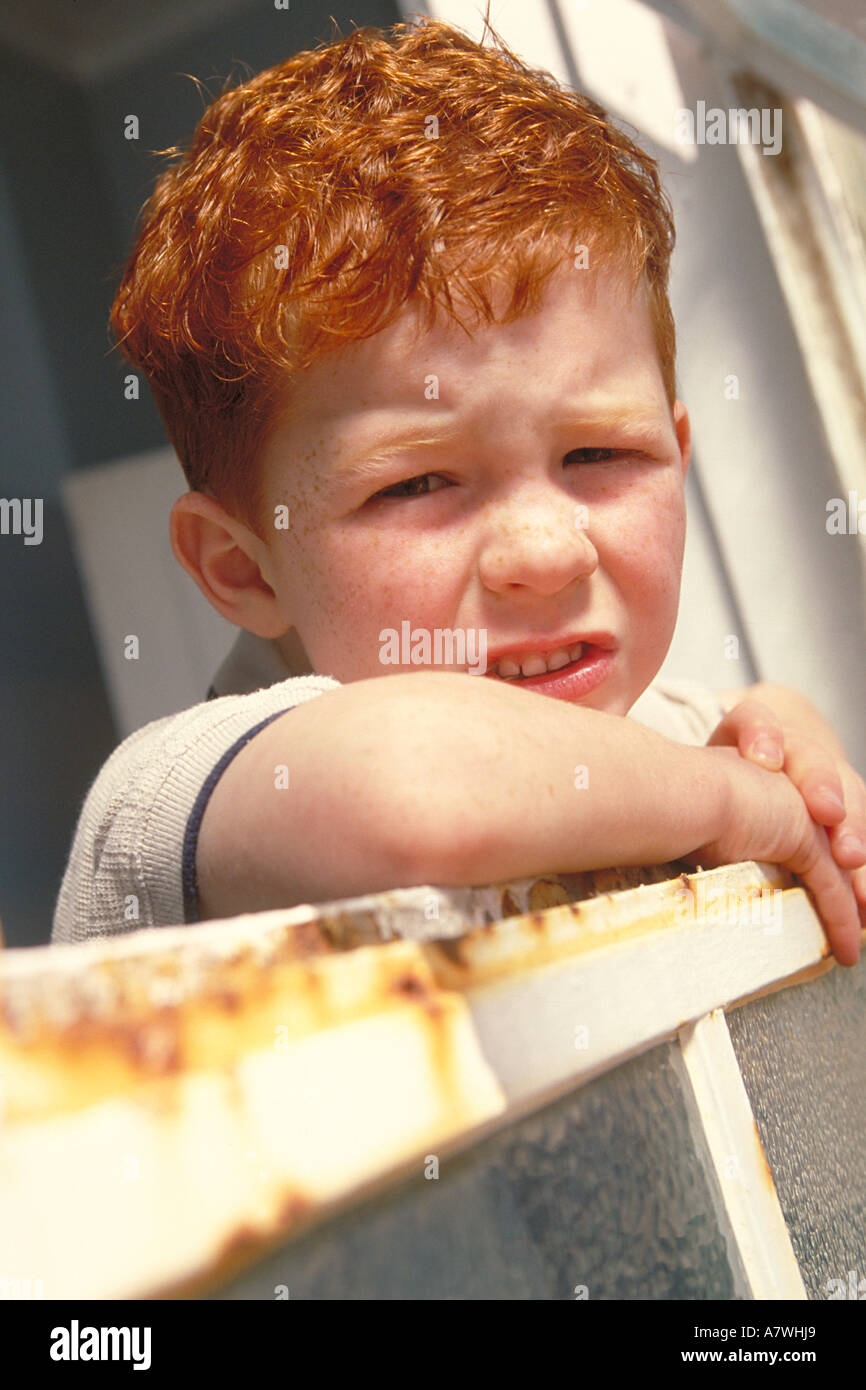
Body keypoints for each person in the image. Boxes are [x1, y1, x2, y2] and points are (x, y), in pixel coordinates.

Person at [53, 18, 866, 962]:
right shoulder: (176, 798)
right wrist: (730, 798)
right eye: (420, 482)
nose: (546, 552)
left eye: (599, 456)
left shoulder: (679, 733)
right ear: (243, 567)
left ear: (679, 458)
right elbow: (419, 783)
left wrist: (779, 742)